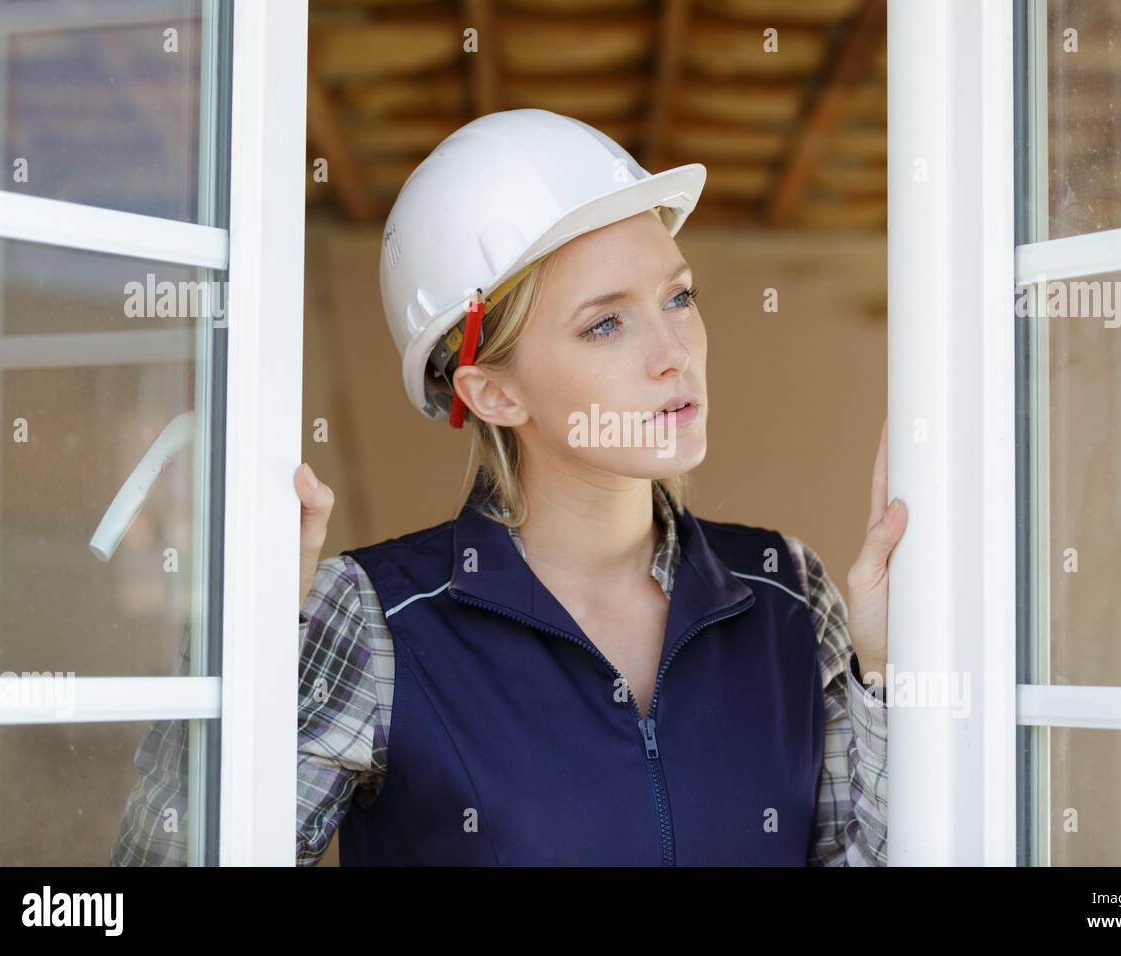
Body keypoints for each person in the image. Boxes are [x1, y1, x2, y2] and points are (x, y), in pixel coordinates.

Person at [111, 108, 907, 867]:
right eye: (606, 323)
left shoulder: (789, 591)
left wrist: (887, 670)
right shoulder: (372, 623)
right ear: (494, 393)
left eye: (679, 296)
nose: (675, 351)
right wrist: (241, 648)